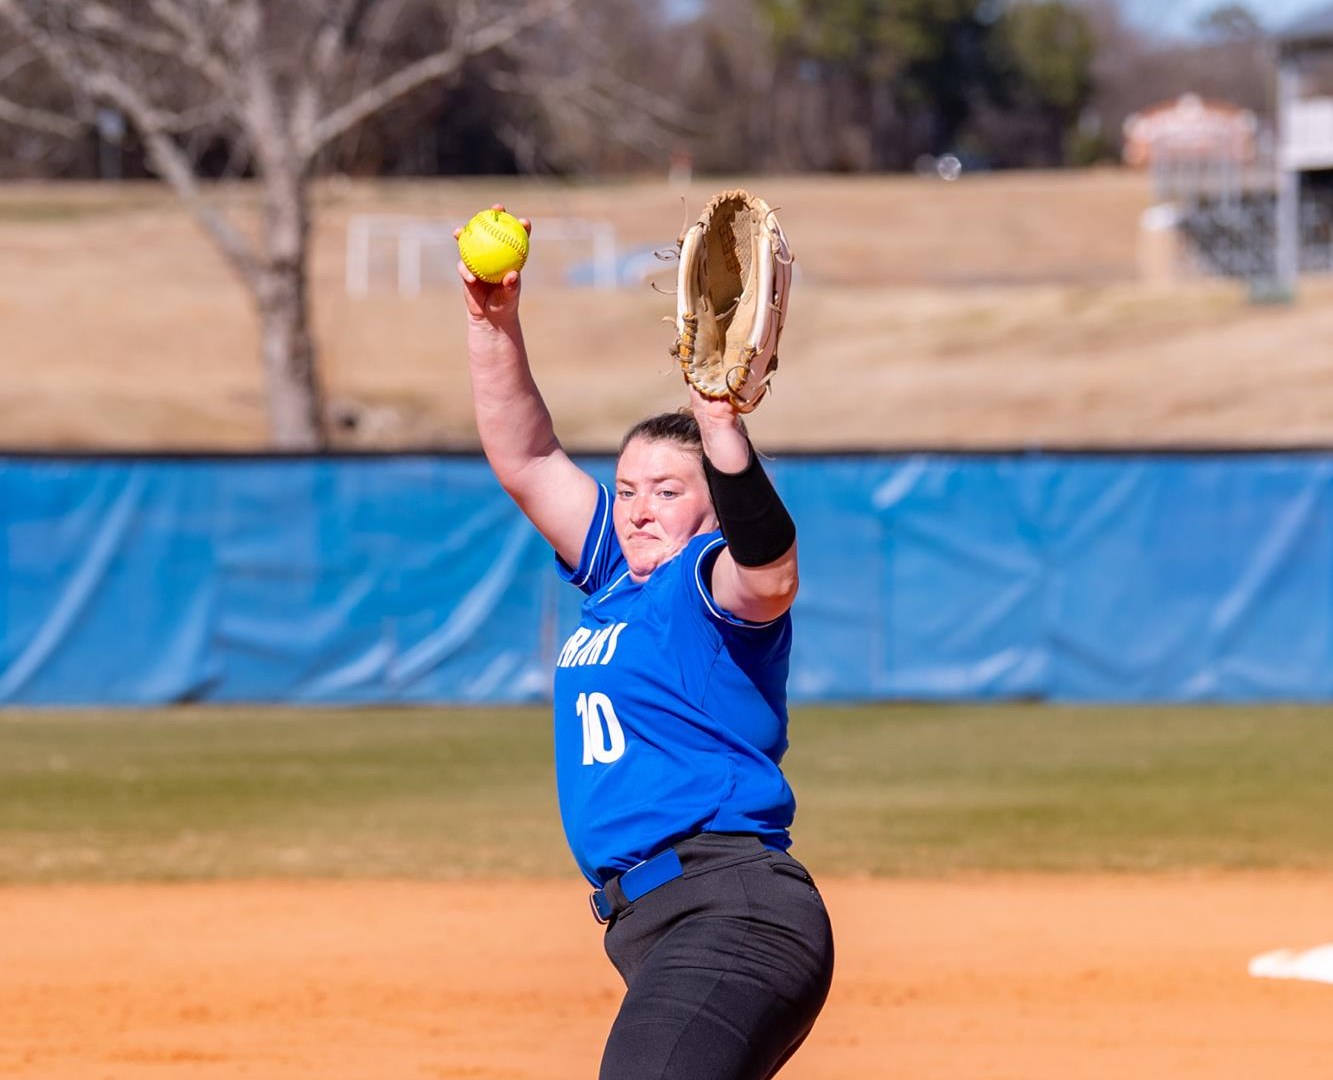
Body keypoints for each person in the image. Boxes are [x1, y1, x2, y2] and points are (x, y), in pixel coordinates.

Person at [456, 207, 834, 1080]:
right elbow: (524, 456)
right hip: (658, 924)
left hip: (729, 913)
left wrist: (720, 432)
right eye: (625, 487)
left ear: (707, 508)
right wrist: (492, 322)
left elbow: (769, 570)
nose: (636, 507)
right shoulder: (617, 578)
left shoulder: (704, 581)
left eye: (665, 490)